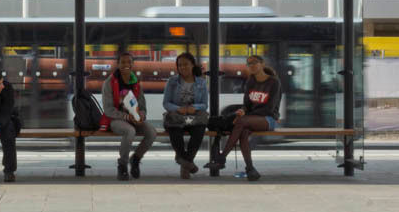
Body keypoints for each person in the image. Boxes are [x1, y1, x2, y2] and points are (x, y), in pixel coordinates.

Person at [208, 53, 281, 181]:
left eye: (254, 62)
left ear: (262, 64)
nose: (251, 65)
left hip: (268, 119)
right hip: (250, 120)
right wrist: (242, 111)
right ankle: (250, 169)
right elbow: (246, 104)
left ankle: (222, 157)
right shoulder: (250, 81)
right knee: (243, 132)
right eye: (249, 64)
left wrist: (246, 116)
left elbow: (269, 108)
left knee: (241, 123)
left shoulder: (274, 82)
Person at [101, 52, 157, 180]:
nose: (126, 65)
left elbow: (142, 105)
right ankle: (122, 165)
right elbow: (108, 109)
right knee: (129, 131)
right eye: (123, 62)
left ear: (132, 64)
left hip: (134, 118)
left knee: (152, 132)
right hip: (116, 119)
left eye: (129, 62)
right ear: (118, 64)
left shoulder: (135, 82)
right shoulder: (109, 82)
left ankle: (136, 159)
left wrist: (141, 115)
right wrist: (127, 117)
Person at [161, 52, 209, 180]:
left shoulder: (201, 82)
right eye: (180, 65)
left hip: (194, 117)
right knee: (173, 125)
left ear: (193, 65)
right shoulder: (172, 81)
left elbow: (204, 104)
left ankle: (183, 160)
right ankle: (186, 162)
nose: (183, 67)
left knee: (201, 126)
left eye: (186, 64)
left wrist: (195, 108)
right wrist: (179, 109)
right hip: (178, 116)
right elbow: (166, 103)